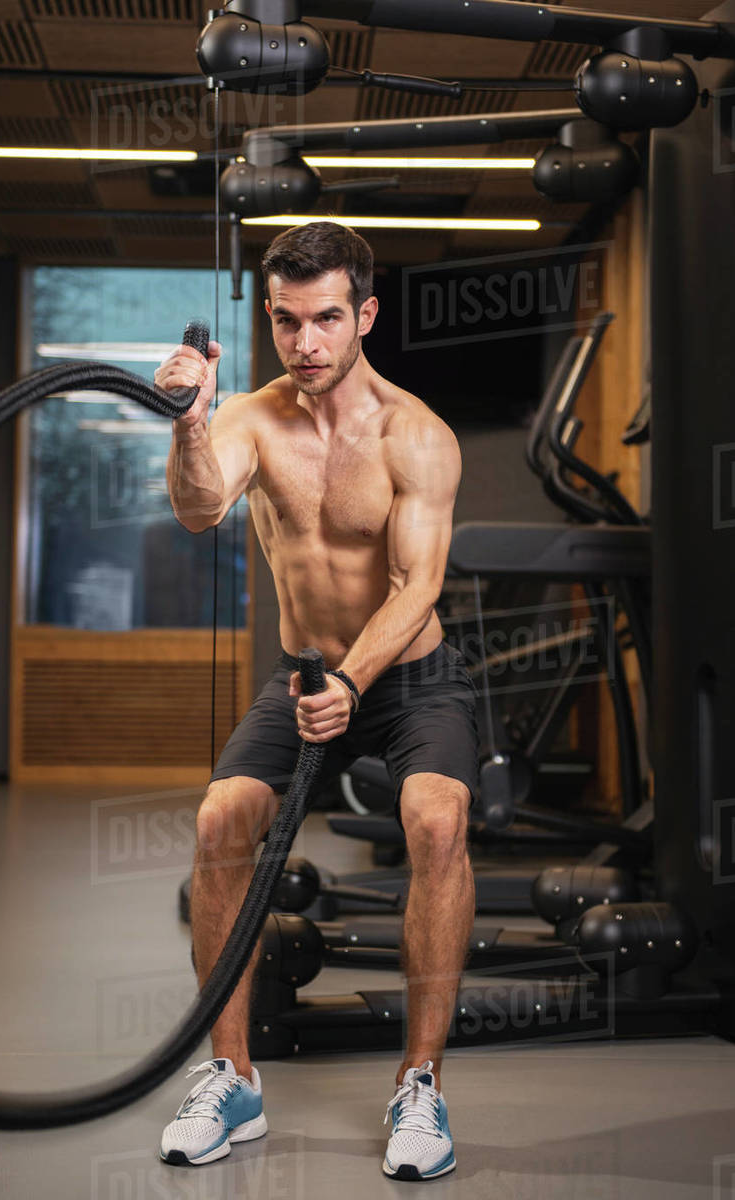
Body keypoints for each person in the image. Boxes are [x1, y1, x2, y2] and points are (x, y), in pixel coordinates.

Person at [155, 220, 479, 1182]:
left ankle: (419, 1082)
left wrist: (352, 683)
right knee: (220, 820)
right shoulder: (252, 419)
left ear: (364, 314)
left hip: (407, 676)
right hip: (305, 676)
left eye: (328, 318)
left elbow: (417, 584)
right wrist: (186, 420)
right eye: (288, 321)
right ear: (270, 317)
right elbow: (199, 508)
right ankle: (234, 1078)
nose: (307, 343)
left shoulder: (416, 435)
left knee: (436, 821)